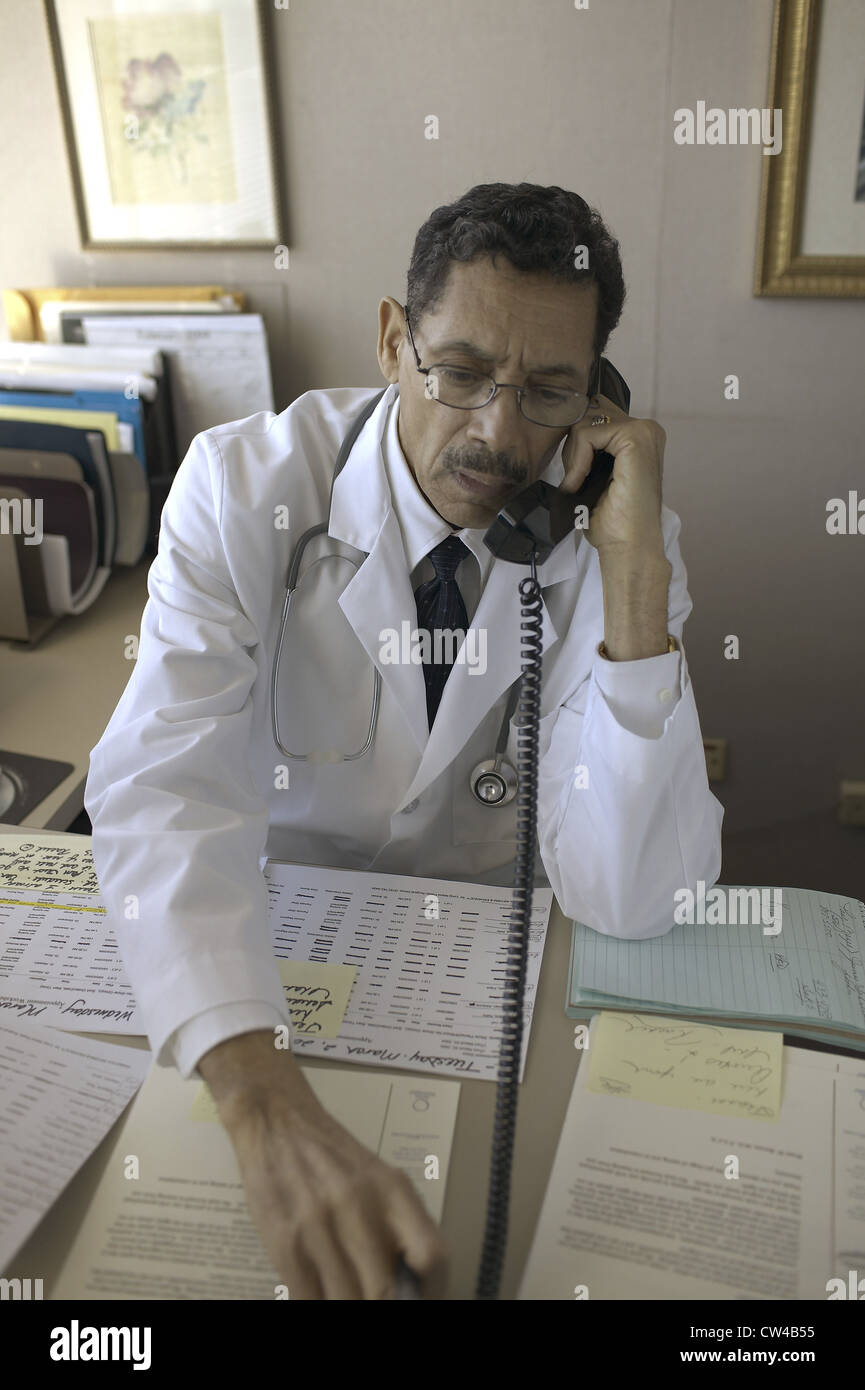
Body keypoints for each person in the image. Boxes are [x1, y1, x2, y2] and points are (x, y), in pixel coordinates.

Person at [85, 181, 724, 1299]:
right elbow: (160, 788)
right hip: (259, 986)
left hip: (483, 1008)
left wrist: (631, 580)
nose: (498, 432)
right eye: (462, 372)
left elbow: (629, 897)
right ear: (392, 340)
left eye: (549, 392)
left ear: (597, 399)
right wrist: (266, 1108)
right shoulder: (243, 488)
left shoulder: (612, 537)